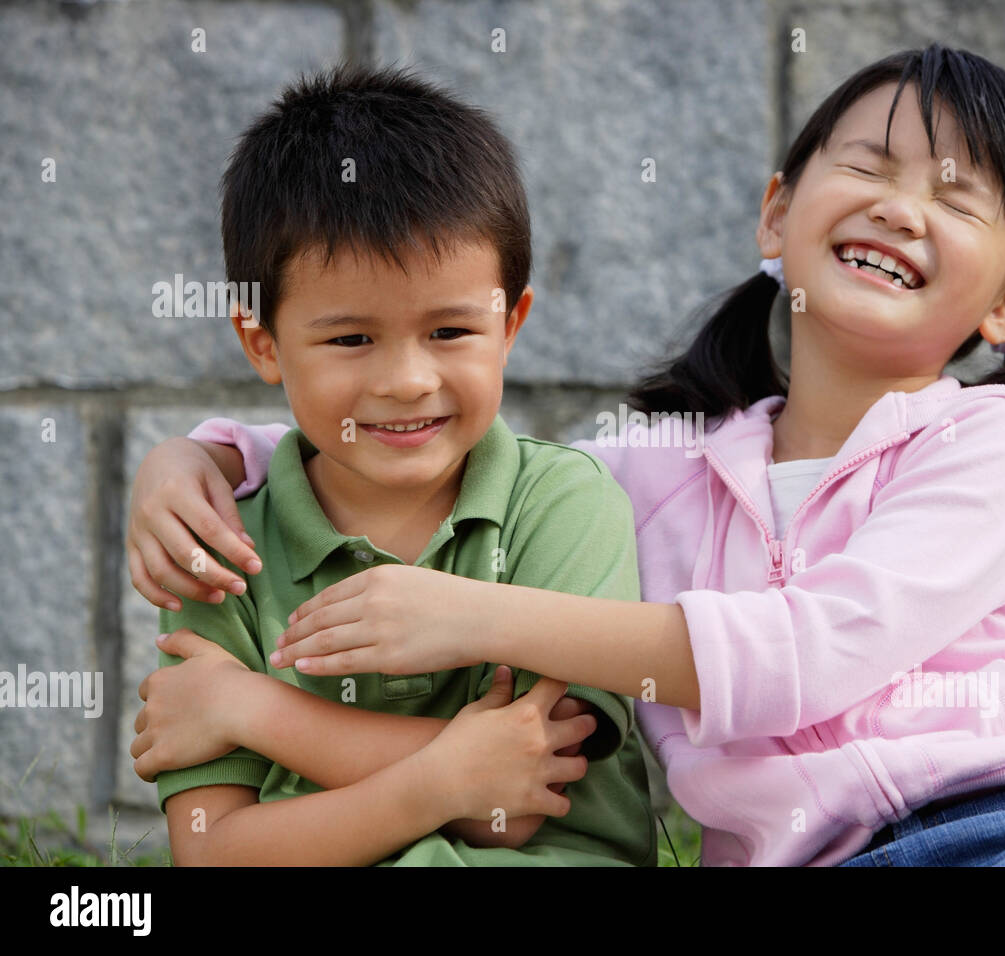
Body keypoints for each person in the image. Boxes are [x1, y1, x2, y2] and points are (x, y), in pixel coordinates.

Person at [128, 45, 1005, 866]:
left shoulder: (998, 445)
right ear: (777, 215)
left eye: (958, 197)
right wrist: (200, 460)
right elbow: (449, 449)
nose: (901, 206)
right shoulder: (659, 465)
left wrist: (464, 613)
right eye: (867, 164)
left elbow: (808, 654)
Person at [126, 63, 656, 866]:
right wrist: (450, 774)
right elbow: (213, 851)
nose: (407, 380)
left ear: (510, 324)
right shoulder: (218, 546)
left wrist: (253, 711)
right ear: (262, 344)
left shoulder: (562, 503)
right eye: (350, 339)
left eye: (450, 332)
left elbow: (519, 798)